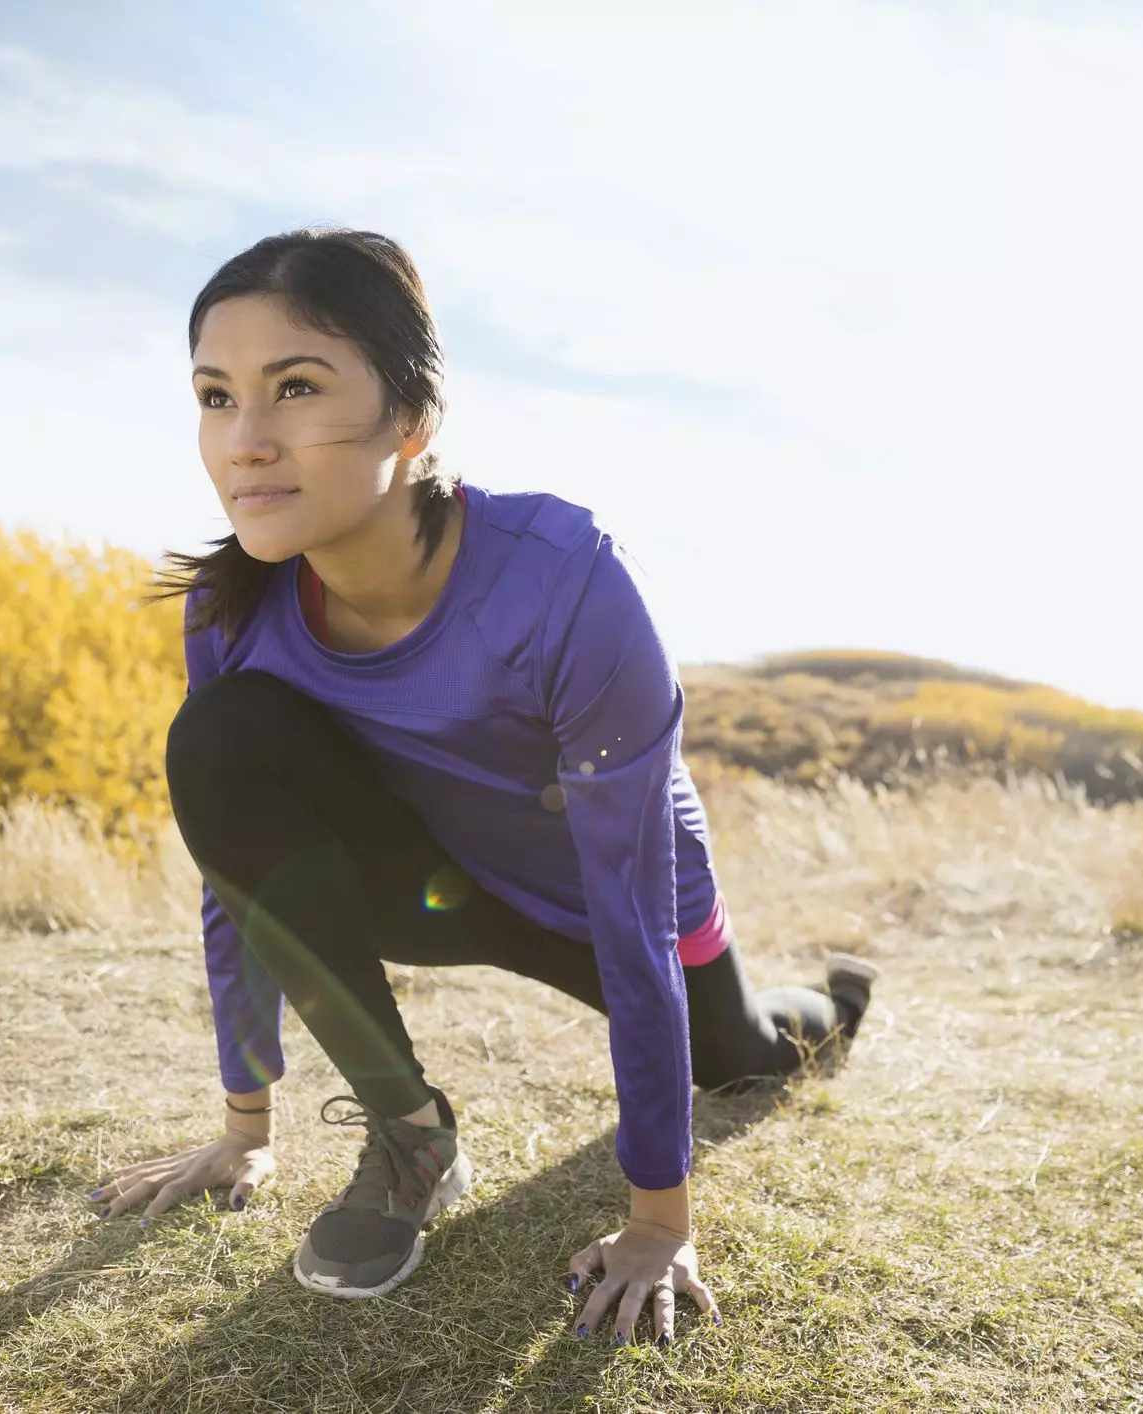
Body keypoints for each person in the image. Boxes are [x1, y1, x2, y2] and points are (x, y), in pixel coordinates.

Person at [94, 227, 878, 1348]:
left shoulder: (566, 582)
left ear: (414, 420)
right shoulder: (233, 609)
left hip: (602, 901)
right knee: (215, 738)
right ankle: (413, 1136)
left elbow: (635, 915)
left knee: (740, 1053)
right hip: (428, 884)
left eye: (296, 387)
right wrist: (244, 1122)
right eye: (216, 396)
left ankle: (835, 1002)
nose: (247, 441)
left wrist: (658, 1219)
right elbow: (240, 868)